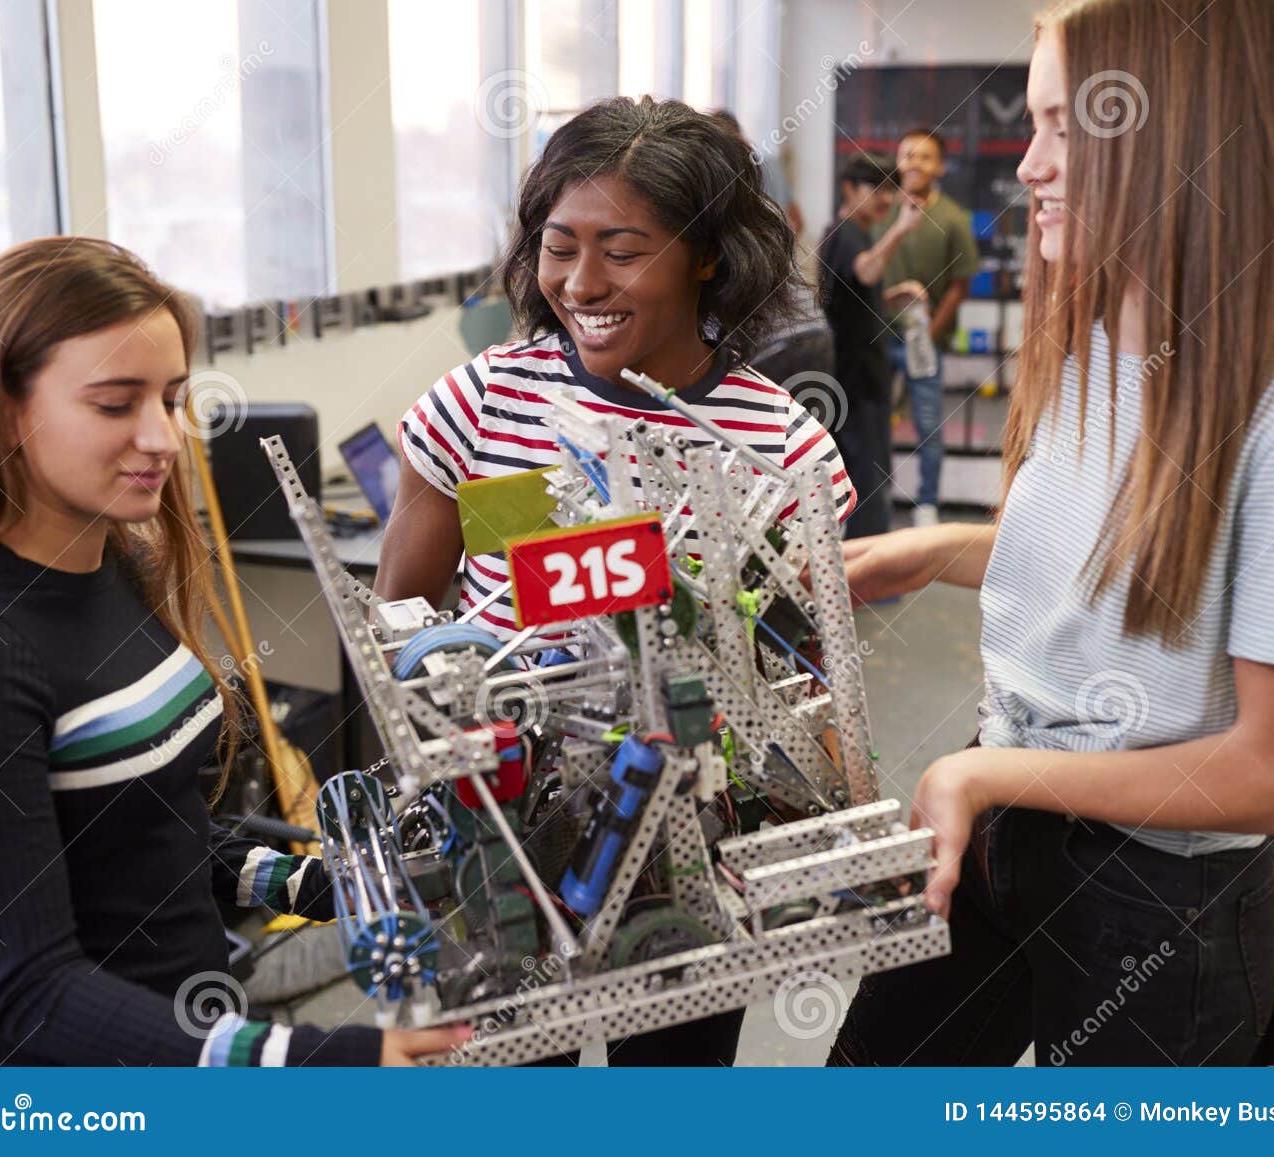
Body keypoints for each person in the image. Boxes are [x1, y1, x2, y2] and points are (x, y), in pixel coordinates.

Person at [829, 0, 1274, 1066]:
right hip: (1006, 813)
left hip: (1157, 903)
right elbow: (1101, 566)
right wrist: (922, 550)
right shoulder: (1103, 332)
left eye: (1062, 128)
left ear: (1177, 134)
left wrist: (988, 774)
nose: (1029, 167)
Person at [0, 237, 470, 1067]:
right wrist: (309, 1061)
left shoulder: (116, 561)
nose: (162, 436)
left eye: (175, 397)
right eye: (116, 404)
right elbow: (29, 991)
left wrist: (317, 884)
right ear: (1, 412)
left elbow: (150, 829)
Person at [374, 95, 856, 1064]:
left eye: (622, 249)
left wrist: (824, 833)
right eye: (559, 246)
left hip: (685, 854)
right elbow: (403, 619)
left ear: (705, 254)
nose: (580, 281)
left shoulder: (780, 445)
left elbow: (799, 669)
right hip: (502, 834)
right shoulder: (480, 401)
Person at [876, 127, 980, 527]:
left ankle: (927, 504)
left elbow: (960, 284)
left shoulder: (953, 218)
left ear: (939, 166)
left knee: (927, 426)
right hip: (878, 339)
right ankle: (873, 501)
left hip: (925, 341)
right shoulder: (882, 211)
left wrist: (933, 331)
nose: (914, 163)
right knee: (872, 424)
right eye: (907, 154)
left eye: (924, 157)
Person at [817, 153, 921, 538]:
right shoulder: (846, 232)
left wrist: (891, 296)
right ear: (849, 189)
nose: (886, 198)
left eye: (891, 189)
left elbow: (855, 290)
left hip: (859, 375)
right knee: (866, 473)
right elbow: (864, 269)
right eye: (876, 187)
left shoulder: (853, 233)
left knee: (868, 470)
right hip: (856, 378)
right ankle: (869, 568)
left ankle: (863, 566)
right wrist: (900, 230)